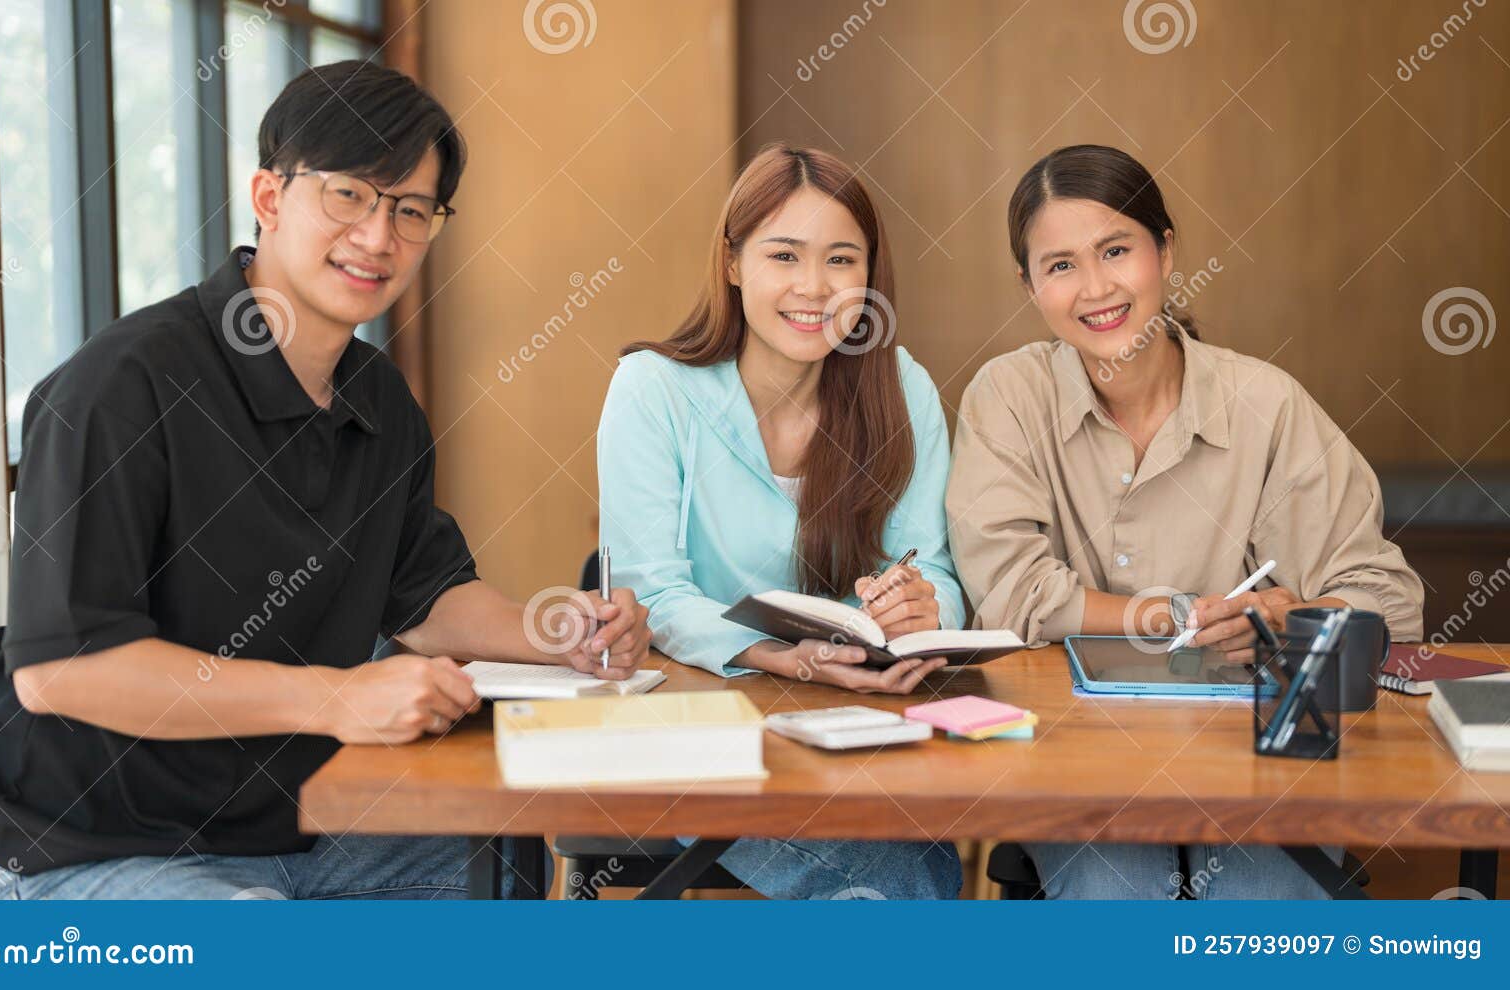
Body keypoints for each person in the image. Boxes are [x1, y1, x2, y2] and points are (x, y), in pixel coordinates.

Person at [0, 61, 651, 901]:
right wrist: (336, 700)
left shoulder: (377, 397)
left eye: (411, 210)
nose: (379, 237)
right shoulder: (121, 387)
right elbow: (63, 672)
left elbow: (422, 598)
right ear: (270, 198)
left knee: (512, 876)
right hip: (76, 851)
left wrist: (561, 629)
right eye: (349, 194)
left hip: (294, 828)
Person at [945, 144, 1424, 900]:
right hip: (1074, 758)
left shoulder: (1265, 405)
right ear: (1029, 284)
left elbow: (1386, 597)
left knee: (1260, 900)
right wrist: (1177, 614)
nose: (1096, 288)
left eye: (1116, 250)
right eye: (1061, 265)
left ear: (1166, 252)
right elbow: (1013, 597)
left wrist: (1295, 615)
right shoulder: (1008, 397)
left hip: (1256, 754)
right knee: (1117, 898)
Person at [597, 143, 964, 899]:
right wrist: (783, 656)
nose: (814, 288)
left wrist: (920, 612)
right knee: (905, 888)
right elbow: (653, 597)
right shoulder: (652, 391)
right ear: (732, 264)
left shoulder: (903, 388)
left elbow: (939, 574)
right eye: (784, 255)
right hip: (701, 731)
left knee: (925, 867)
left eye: (841, 260)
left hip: (863, 728)